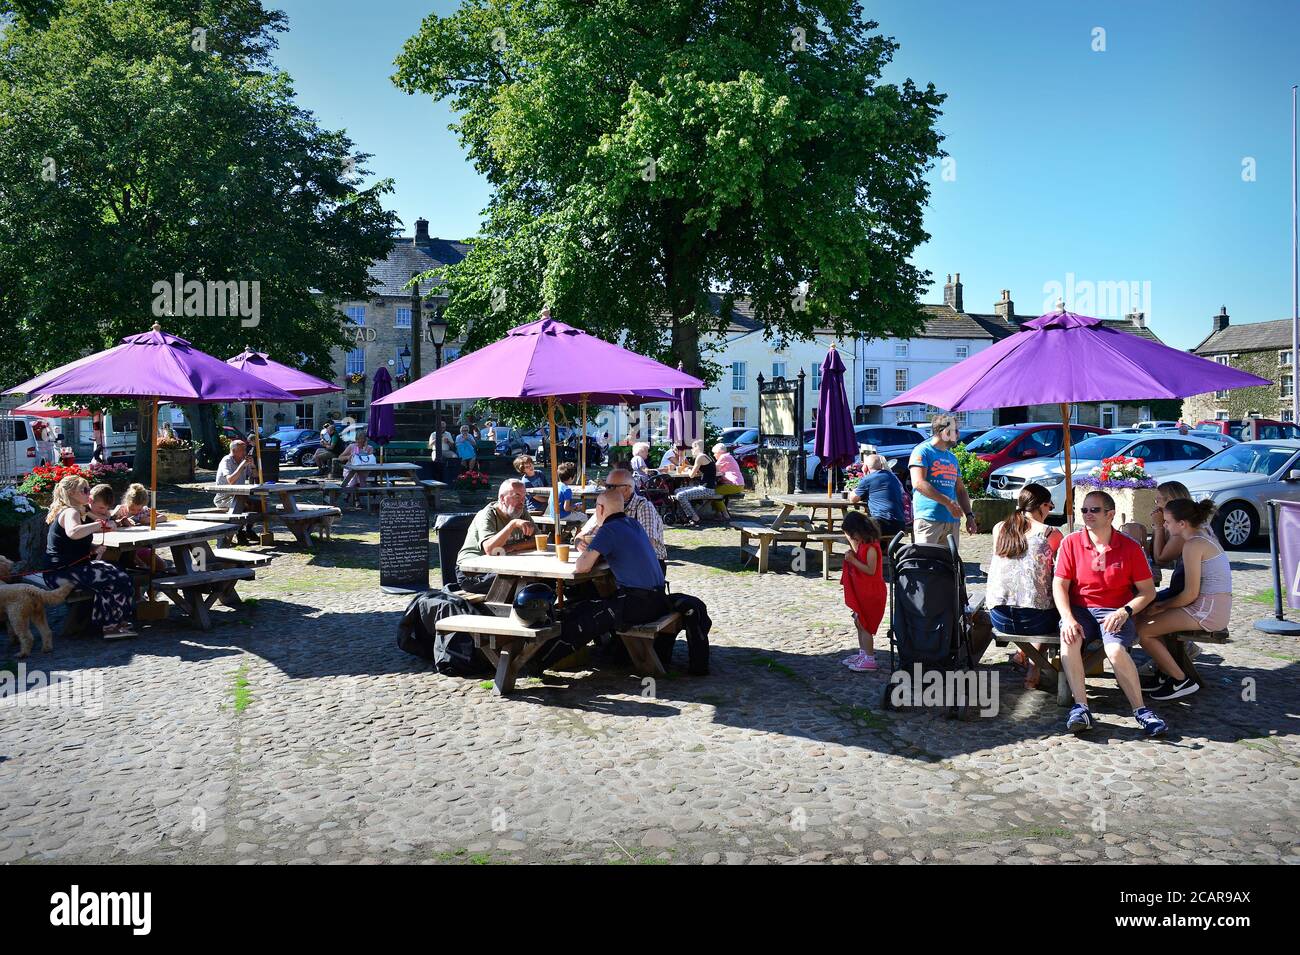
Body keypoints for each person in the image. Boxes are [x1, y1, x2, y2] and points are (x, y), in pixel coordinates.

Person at [1053, 490, 1164, 736]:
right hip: (1080, 609)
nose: (1087, 515)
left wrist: (1125, 611)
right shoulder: (1071, 542)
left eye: (1094, 510)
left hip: (1116, 610)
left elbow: (1147, 592)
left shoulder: (1129, 547)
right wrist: (1068, 617)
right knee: (1068, 637)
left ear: (1110, 514)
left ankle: (1141, 711)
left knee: (1114, 650)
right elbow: (1059, 585)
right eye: (1084, 510)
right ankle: (1081, 707)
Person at [1135, 498, 1232, 702]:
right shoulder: (1203, 536)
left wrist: (1161, 606)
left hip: (1208, 610)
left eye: (1168, 521)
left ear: (1182, 524)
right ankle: (1165, 672)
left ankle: (1181, 680)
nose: (1165, 525)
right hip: (1210, 606)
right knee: (1144, 620)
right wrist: (1160, 607)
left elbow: (1190, 594)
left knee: (1144, 630)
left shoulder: (1193, 544)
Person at [986, 483, 1063, 688]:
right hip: (1034, 620)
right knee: (1059, 609)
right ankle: (1034, 666)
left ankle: (1023, 653)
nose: (1049, 511)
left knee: (1041, 602)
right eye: (1049, 506)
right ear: (1042, 506)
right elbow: (1062, 572)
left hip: (999, 616)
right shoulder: (1050, 534)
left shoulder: (999, 528)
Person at [42, 475, 136, 638]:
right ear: (71, 493)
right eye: (84, 490)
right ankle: (110, 625)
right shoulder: (70, 511)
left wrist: (92, 548)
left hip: (67, 570)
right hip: (60, 573)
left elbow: (72, 543)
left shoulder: (75, 511)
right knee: (117, 578)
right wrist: (100, 524)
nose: (89, 494)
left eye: (88, 489)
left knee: (118, 571)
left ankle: (109, 621)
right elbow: (73, 532)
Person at [576, 489, 670, 629]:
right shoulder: (633, 523)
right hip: (659, 600)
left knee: (577, 613)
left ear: (600, 508)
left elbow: (582, 567)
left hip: (638, 606)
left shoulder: (608, 529)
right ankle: (613, 647)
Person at [455, 479, 537, 591]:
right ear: (502, 498)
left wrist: (512, 547)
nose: (522, 501)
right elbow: (490, 549)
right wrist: (512, 525)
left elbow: (539, 540)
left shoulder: (521, 512)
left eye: (524, 497)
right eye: (517, 496)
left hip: (500, 567)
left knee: (538, 579)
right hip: (473, 573)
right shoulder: (487, 515)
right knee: (518, 580)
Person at [577, 468, 666, 570]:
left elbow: (648, 546)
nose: (607, 490)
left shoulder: (643, 507)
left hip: (650, 567)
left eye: (612, 487)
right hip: (620, 564)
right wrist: (578, 543)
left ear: (627, 489)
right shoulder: (609, 504)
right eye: (607, 486)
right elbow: (581, 535)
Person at [908, 414, 977, 546]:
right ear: (944, 431)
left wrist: (969, 516)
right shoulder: (922, 451)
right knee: (926, 564)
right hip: (929, 519)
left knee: (948, 565)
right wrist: (948, 503)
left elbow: (960, 490)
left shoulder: (952, 458)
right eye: (955, 430)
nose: (958, 434)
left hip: (952, 521)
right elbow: (918, 483)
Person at [839, 511, 886, 672]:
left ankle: (870, 659)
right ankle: (863, 653)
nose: (852, 539)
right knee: (858, 623)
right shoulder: (863, 546)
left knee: (865, 625)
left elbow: (870, 570)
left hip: (872, 593)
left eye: (852, 535)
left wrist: (852, 560)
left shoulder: (871, 548)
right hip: (864, 591)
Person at [849, 452, 907, 539]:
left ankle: (859, 552)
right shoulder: (892, 477)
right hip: (900, 524)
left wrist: (853, 491)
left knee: (849, 525)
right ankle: (881, 551)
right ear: (881, 465)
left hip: (882, 523)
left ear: (865, 467)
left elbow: (853, 499)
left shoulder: (868, 479)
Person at [214, 439, 257, 544]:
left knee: (259, 504)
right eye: (242, 450)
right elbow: (231, 480)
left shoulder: (243, 461)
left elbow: (255, 476)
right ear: (234, 450)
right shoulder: (226, 460)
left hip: (240, 495)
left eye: (245, 449)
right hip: (224, 498)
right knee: (244, 505)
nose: (245, 452)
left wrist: (252, 465)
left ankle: (248, 530)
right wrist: (242, 465)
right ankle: (238, 532)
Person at [673, 439, 717, 527]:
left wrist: (688, 470)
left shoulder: (700, 457)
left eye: (692, 448)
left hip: (706, 489)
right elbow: (701, 472)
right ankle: (684, 516)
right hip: (706, 487)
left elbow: (692, 475)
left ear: (697, 447)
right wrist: (690, 468)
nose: (691, 450)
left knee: (680, 495)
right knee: (677, 491)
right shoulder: (707, 456)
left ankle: (694, 517)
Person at [338, 432, 377, 507]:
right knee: (355, 475)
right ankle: (356, 499)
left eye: (362, 442)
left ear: (365, 441)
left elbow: (370, 461)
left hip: (364, 471)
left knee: (357, 475)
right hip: (349, 469)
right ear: (356, 440)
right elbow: (340, 457)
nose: (359, 444)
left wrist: (365, 449)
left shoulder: (369, 448)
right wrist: (347, 457)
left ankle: (349, 493)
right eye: (358, 441)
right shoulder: (351, 446)